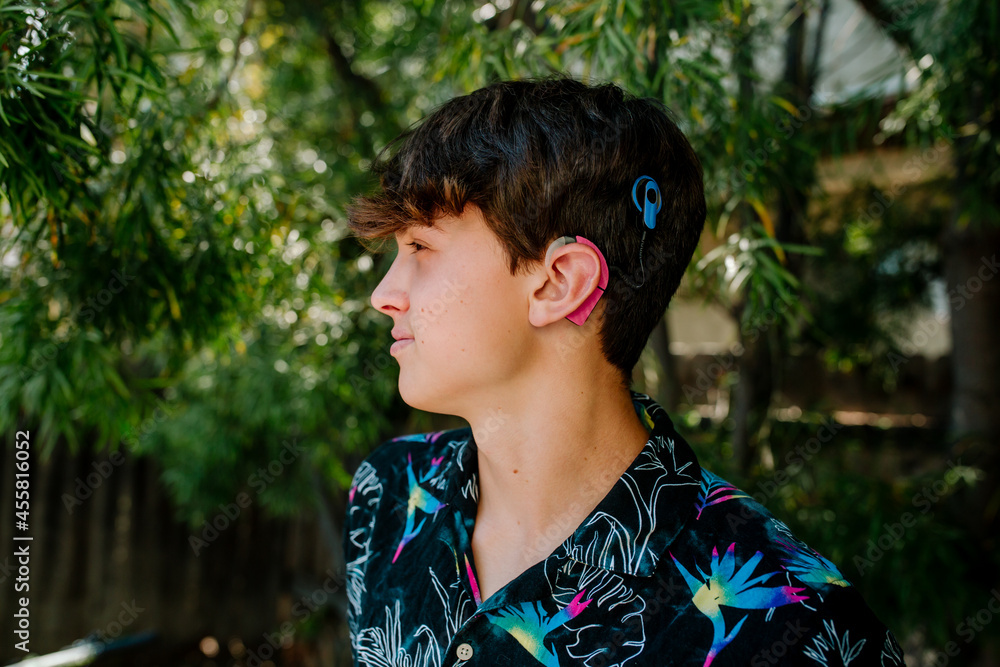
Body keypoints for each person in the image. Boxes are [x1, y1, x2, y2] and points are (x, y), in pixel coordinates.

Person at [342, 76, 904, 667]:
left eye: (421, 248)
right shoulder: (389, 496)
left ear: (560, 282)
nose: (385, 294)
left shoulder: (796, 628)